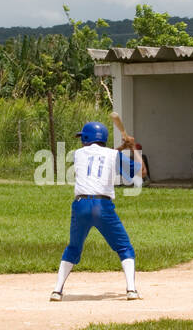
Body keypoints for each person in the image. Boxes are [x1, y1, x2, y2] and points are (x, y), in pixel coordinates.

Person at [52, 121, 145, 301]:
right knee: (124, 247)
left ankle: (57, 291)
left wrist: (122, 147)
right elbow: (142, 172)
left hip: (80, 206)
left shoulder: (78, 154)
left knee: (73, 248)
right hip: (103, 207)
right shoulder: (112, 155)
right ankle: (131, 290)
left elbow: (100, 157)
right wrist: (132, 148)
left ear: (87, 138)